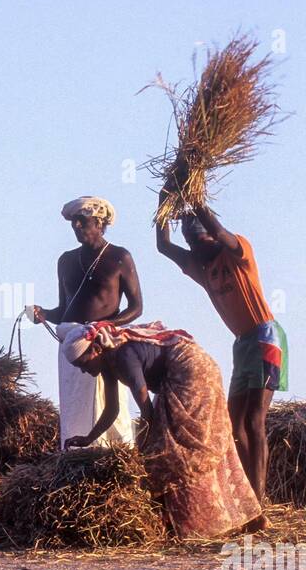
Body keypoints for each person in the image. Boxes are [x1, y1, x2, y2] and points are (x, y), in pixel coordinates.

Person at [60, 320, 264, 538]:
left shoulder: (122, 356)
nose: (83, 370)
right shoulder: (108, 362)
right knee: (165, 450)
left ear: (97, 349)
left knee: (179, 449)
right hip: (175, 376)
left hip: (192, 371)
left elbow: (146, 411)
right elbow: (112, 409)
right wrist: (89, 438)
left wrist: (139, 452)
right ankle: (177, 524)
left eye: (83, 363)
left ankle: (213, 522)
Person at [155, 186, 285, 500]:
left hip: (266, 336)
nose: (194, 246)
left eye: (198, 239)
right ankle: (247, 496)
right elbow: (163, 246)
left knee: (255, 419)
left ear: (211, 236)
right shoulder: (203, 269)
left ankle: (260, 496)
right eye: (190, 242)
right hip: (241, 344)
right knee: (231, 422)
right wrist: (163, 201)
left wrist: (194, 195)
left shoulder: (238, 253)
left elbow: (216, 228)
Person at [28, 196, 143, 449]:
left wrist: (105, 327)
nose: (77, 227)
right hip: (71, 347)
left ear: (100, 224)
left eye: (83, 221)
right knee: (75, 407)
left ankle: (115, 457)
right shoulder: (66, 261)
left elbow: (136, 308)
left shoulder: (119, 257)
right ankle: (76, 456)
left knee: (110, 403)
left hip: (103, 344)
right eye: (74, 222)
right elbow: (64, 310)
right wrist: (43, 314)